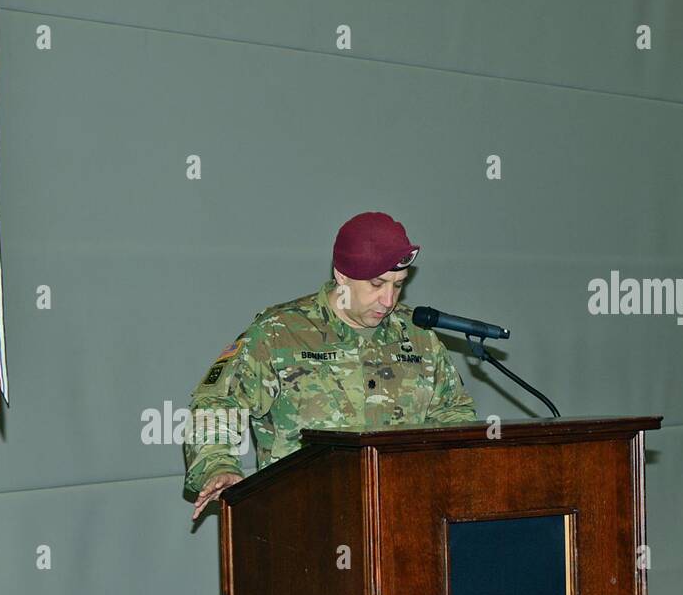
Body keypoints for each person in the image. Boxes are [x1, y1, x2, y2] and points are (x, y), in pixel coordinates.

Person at [185, 212, 477, 518]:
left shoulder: (419, 338)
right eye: (377, 284)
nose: (388, 300)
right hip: (302, 522)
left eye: (398, 285)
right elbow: (216, 401)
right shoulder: (280, 333)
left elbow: (454, 413)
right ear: (342, 276)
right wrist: (217, 465)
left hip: (404, 522)